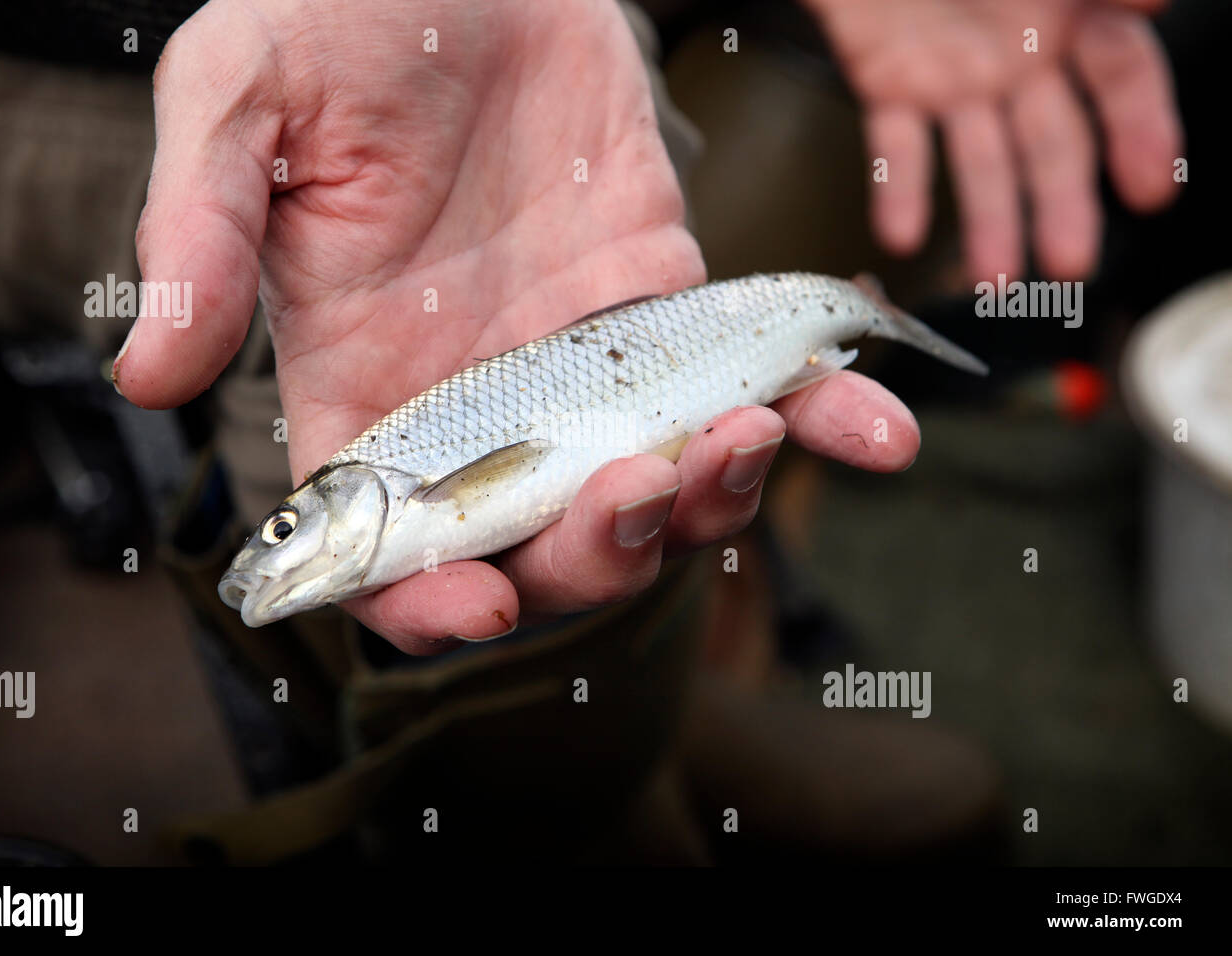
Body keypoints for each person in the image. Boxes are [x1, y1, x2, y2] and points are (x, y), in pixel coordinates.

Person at [113, 0, 1182, 653]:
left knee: (677, 501)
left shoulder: (406, 493)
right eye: (285, 540)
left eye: (288, 534)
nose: (276, 556)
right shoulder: (400, 505)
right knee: (560, 564)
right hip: (54, 73)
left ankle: (664, 710)